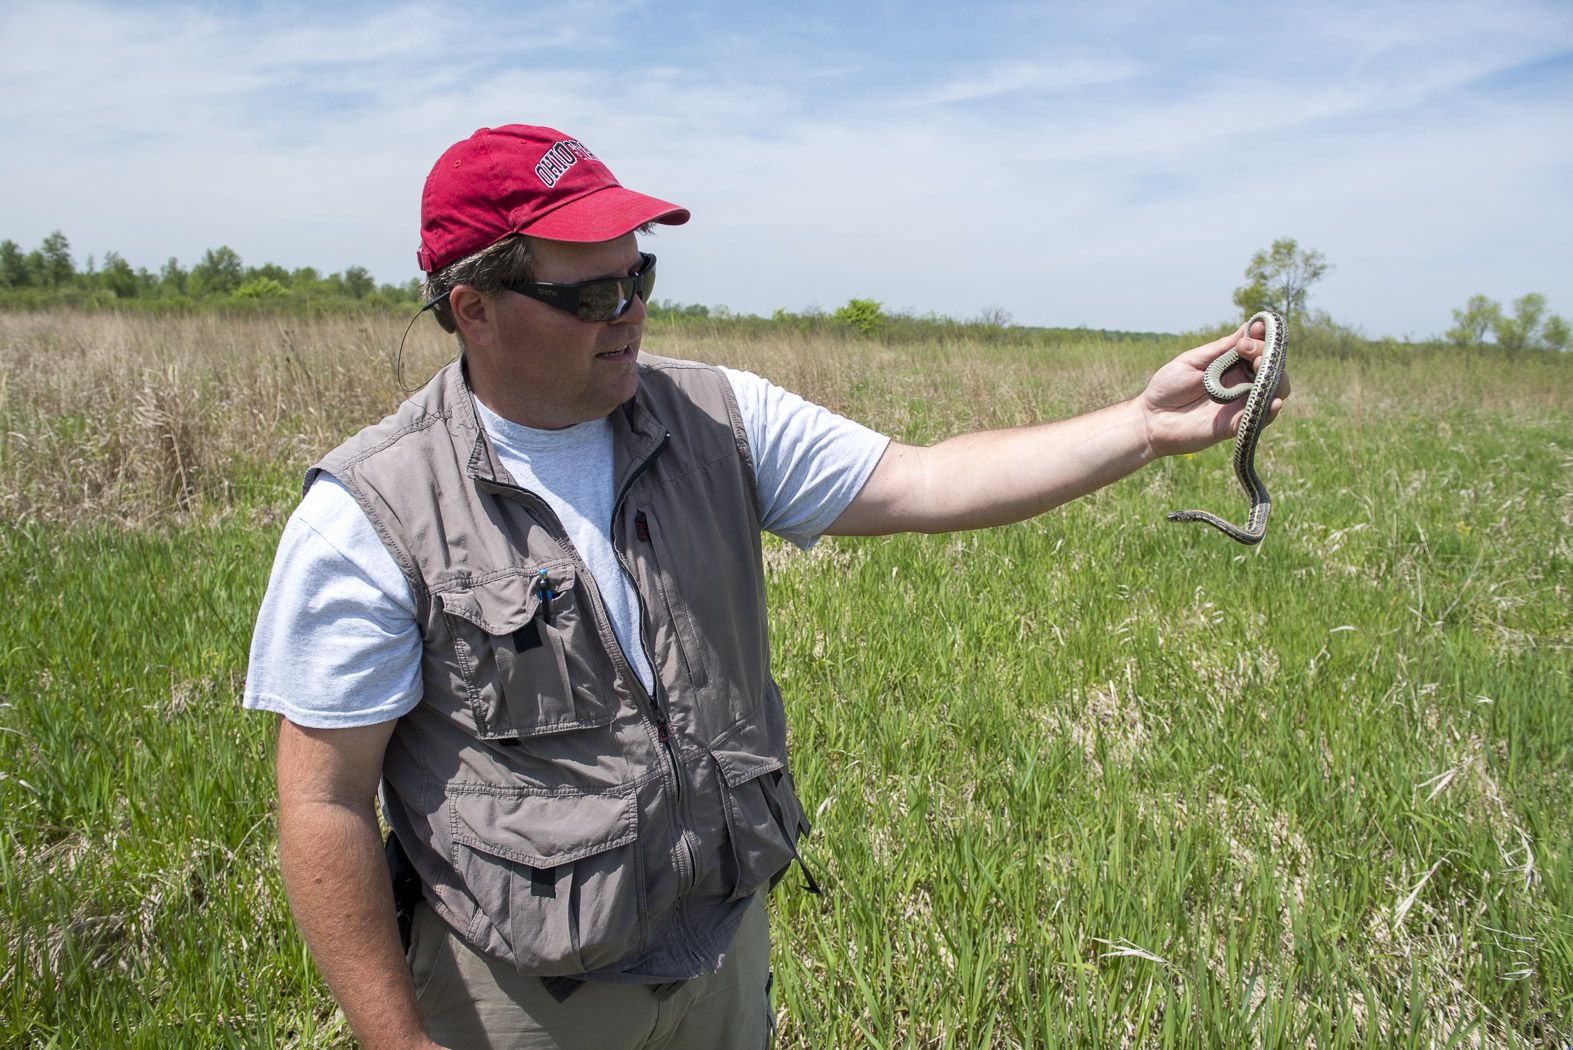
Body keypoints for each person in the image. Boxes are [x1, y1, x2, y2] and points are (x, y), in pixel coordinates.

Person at [244, 123, 1288, 1050]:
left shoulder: (718, 419)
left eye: (639, 277)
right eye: (592, 295)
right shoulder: (371, 512)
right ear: (473, 308)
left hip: (719, 952)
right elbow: (324, 801)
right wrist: (396, 1039)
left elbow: (926, 480)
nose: (629, 315)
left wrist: (1144, 427)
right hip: (520, 999)